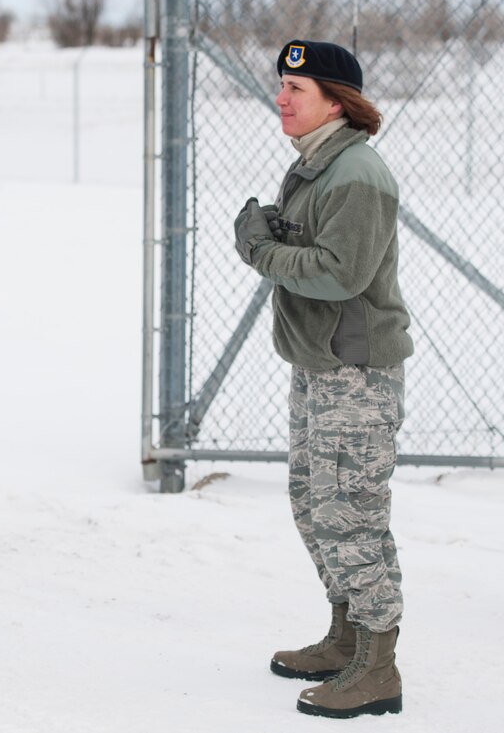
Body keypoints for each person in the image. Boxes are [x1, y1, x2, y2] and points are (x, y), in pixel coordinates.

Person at [234, 39, 410, 719]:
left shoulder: (357, 173)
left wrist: (261, 248)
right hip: (320, 365)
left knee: (353, 516)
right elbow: (314, 246)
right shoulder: (316, 166)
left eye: (296, 89)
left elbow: (341, 273)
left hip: (356, 374)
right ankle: (345, 638)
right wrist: (279, 231)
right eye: (281, 84)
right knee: (316, 507)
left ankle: (378, 664)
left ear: (337, 102)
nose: (281, 96)